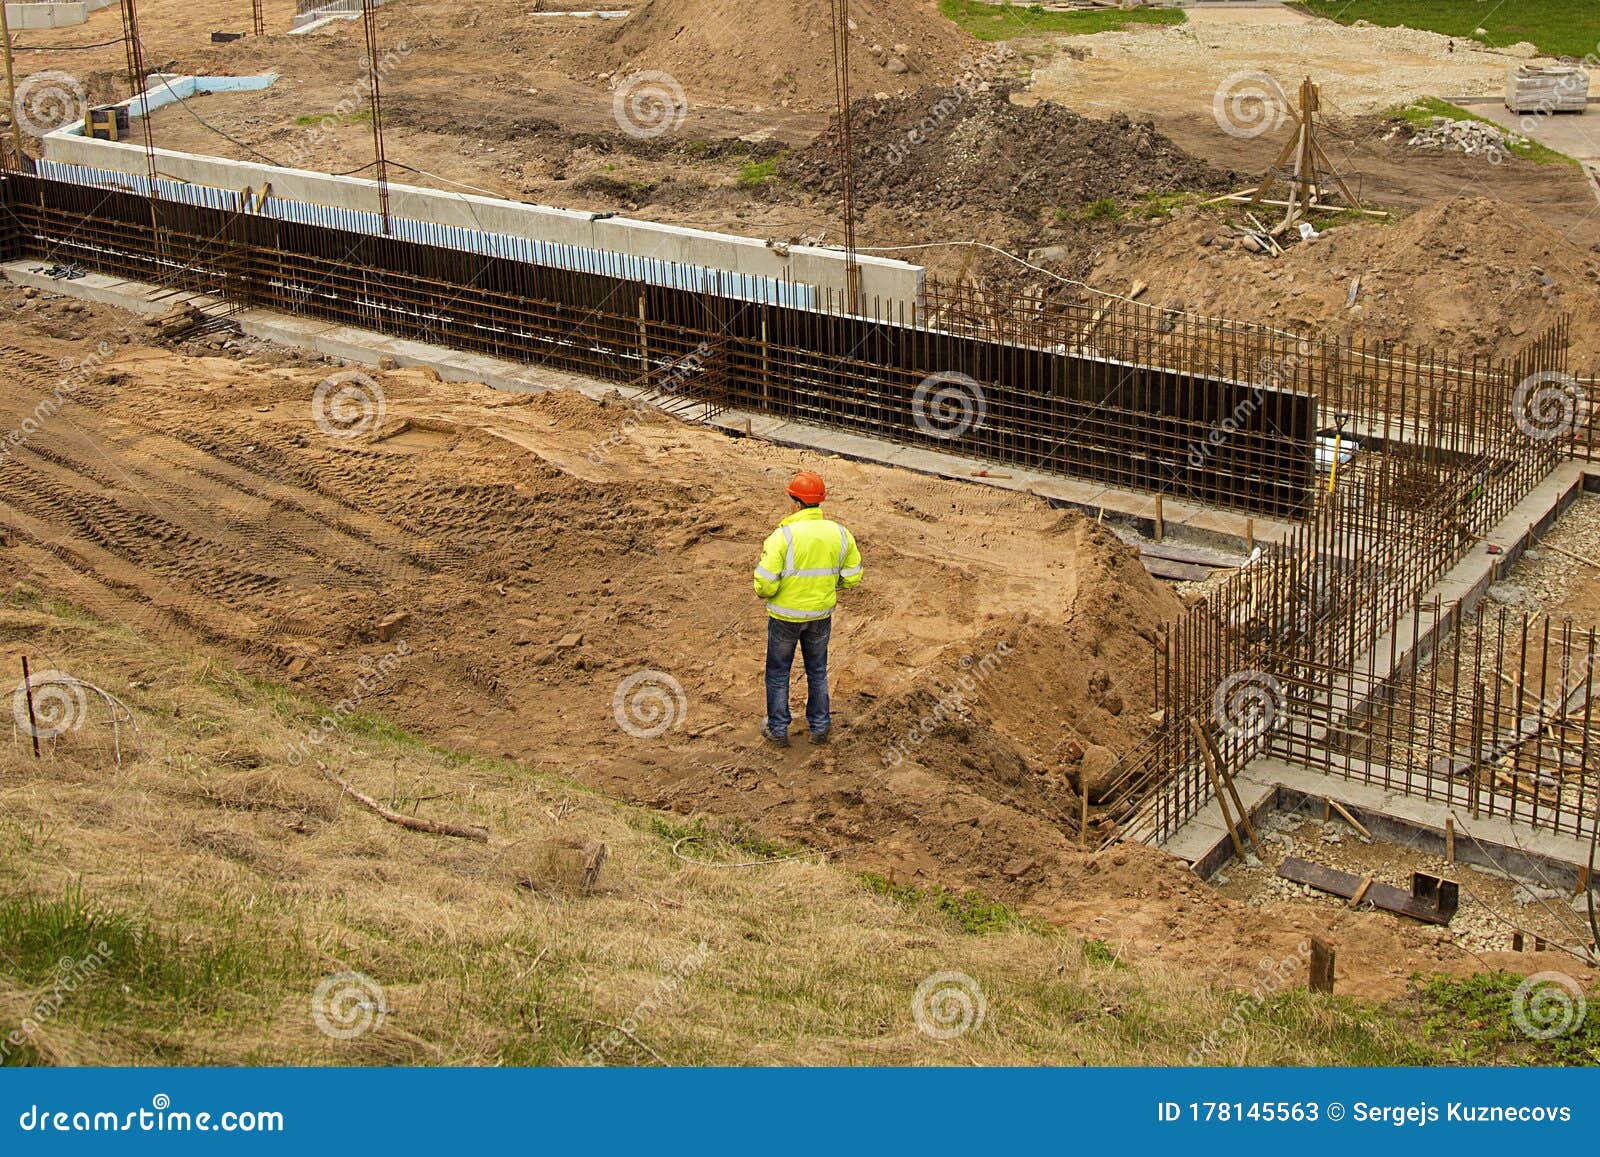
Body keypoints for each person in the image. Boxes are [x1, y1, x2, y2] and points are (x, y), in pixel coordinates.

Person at [751, 471, 863, 748]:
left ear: (797, 503)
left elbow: (764, 584)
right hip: (820, 616)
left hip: (784, 617)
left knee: (778, 673)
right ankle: (820, 727)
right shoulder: (840, 533)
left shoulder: (782, 536)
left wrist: (778, 593)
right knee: (817, 671)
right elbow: (852, 576)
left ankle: (777, 729)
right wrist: (827, 588)